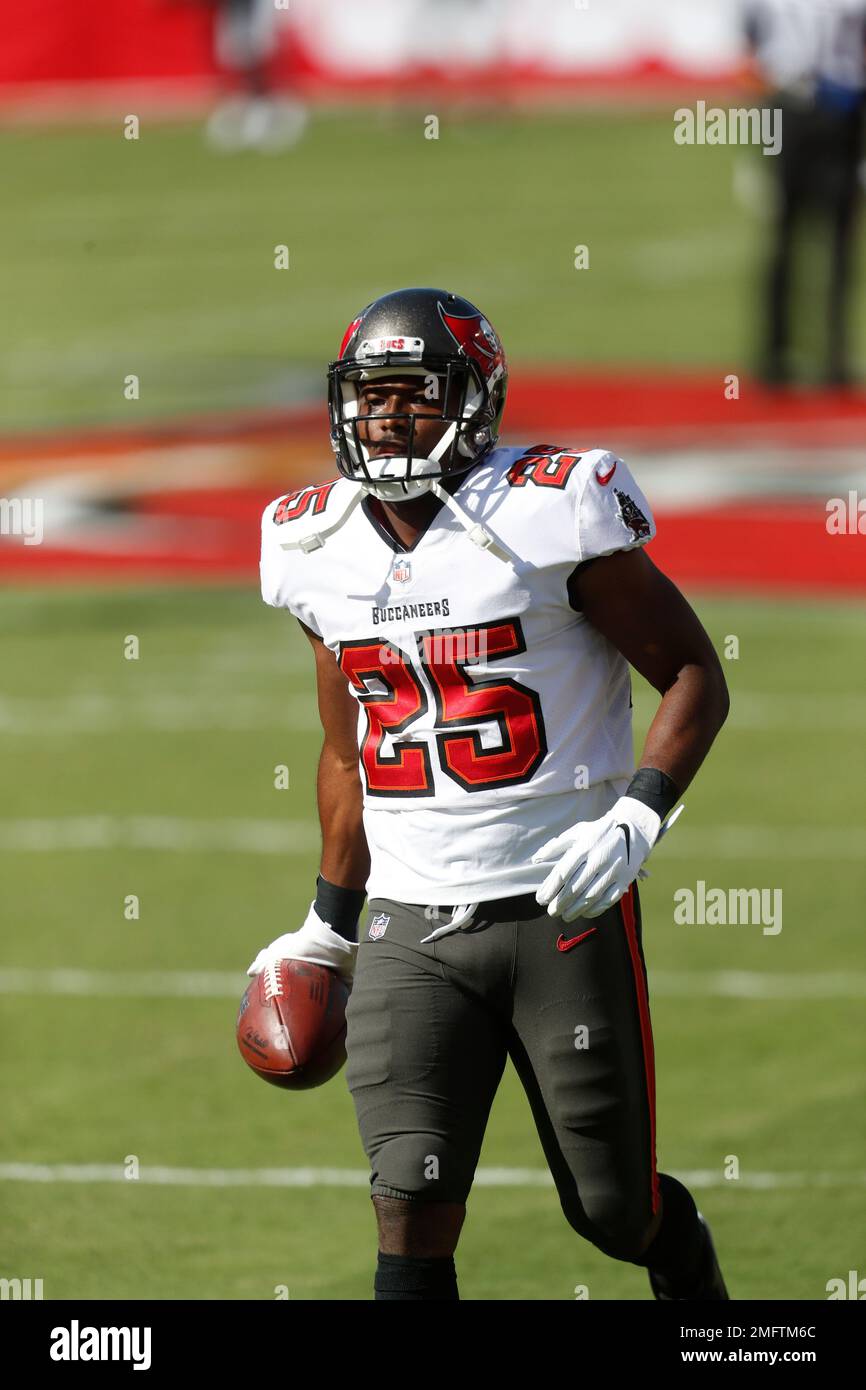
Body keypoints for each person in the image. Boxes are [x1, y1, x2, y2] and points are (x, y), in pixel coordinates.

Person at [249, 287, 731, 1301]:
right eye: (371, 395)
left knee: (615, 1212)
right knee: (409, 1206)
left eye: (414, 393)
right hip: (409, 927)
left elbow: (693, 671)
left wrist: (638, 813)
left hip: (561, 911)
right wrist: (326, 925)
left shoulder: (551, 510)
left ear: (474, 399)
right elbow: (347, 751)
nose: (387, 416)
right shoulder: (309, 544)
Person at [744, 0, 866, 386]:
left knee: (818, 240)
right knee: (806, 240)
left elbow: (752, 43)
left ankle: (805, 357)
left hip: (811, 110)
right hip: (816, 111)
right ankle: (797, 357)